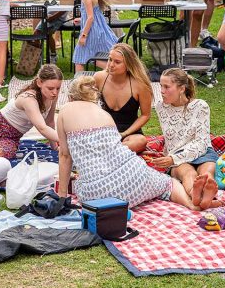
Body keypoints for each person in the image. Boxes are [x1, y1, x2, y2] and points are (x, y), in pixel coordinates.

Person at [56, 76, 202, 210]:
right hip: (135, 176)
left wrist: (62, 197)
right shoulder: (104, 114)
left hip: (98, 196)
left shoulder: (66, 110)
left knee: (78, 184)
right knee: (168, 183)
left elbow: (65, 156)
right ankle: (190, 204)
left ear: (70, 97)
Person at [152, 68, 223, 210]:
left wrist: (174, 158)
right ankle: (198, 197)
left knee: (206, 173)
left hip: (202, 152)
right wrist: (173, 158)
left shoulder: (200, 106)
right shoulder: (160, 107)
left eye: (166, 87)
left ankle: (204, 197)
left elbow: (202, 142)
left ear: (182, 89)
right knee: (188, 173)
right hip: (176, 155)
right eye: (161, 86)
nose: (162, 91)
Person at [0, 64, 63, 159]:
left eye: (58, 88)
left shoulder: (52, 96)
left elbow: (49, 122)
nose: (55, 92)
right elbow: (42, 128)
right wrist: (67, 140)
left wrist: (54, 147)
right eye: (50, 88)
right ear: (39, 83)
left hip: (11, 137)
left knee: (6, 152)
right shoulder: (29, 99)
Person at [93, 43, 153, 154]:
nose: (111, 65)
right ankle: (119, 151)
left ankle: (106, 151)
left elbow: (145, 115)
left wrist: (124, 134)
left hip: (130, 133)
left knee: (141, 141)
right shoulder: (99, 78)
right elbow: (88, 105)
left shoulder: (140, 85)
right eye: (110, 60)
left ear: (128, 65)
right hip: (105, 130)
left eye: (117, 62)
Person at [72, 0, 118, 72]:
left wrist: (83, 35)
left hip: (91, 32)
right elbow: (94, 14)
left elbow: (91, 18)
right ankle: (114, 73)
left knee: (80, 58)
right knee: (89, 57)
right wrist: (81, 19)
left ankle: (79, 84)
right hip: (98, 29)